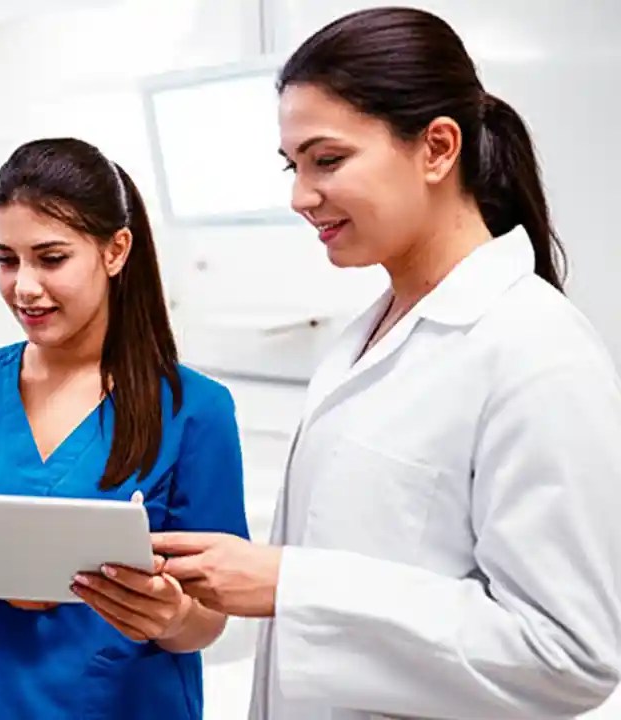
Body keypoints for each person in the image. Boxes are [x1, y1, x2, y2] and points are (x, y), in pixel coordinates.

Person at [152, 7, 621, 719]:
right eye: (293, 165)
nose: (299, 196)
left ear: (436, 148)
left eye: (327, 160)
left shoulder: (536, 352)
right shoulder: (364, 338)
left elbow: (570, 653)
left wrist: (290, 584)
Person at [0, 137, 250, 719]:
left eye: (50, 258)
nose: (24, 286)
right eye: (5, 258)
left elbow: (209, 620)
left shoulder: (195, 408)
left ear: (116, 250)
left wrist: (170, 616)